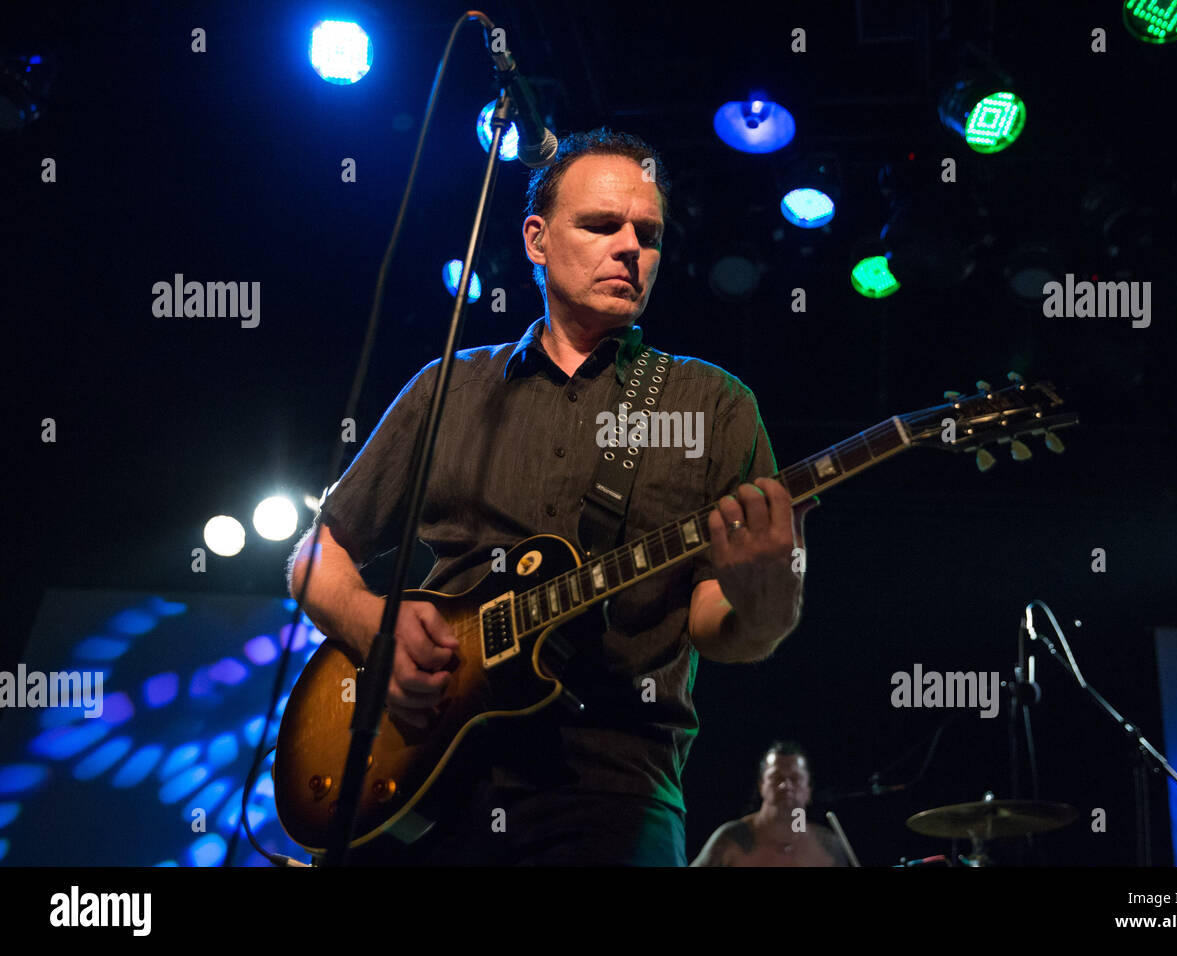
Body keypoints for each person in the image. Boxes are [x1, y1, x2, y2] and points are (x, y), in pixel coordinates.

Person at [287, 128, 814, 866]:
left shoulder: (715, 405)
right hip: (418, 767)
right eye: (602, 225)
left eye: (649, 235)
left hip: (612, 786)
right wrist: (376, 627)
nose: (630, 248)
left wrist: (767, 603)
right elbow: (317, 553)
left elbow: (718, 625)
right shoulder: (447, 387)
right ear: (536, 239)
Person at [691, 741, 852, 866]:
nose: (785, 785)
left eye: (795, 779)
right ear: (761, 785)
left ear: (808, 789)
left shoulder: (828, 846)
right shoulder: (732, 839)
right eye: (776, 778)